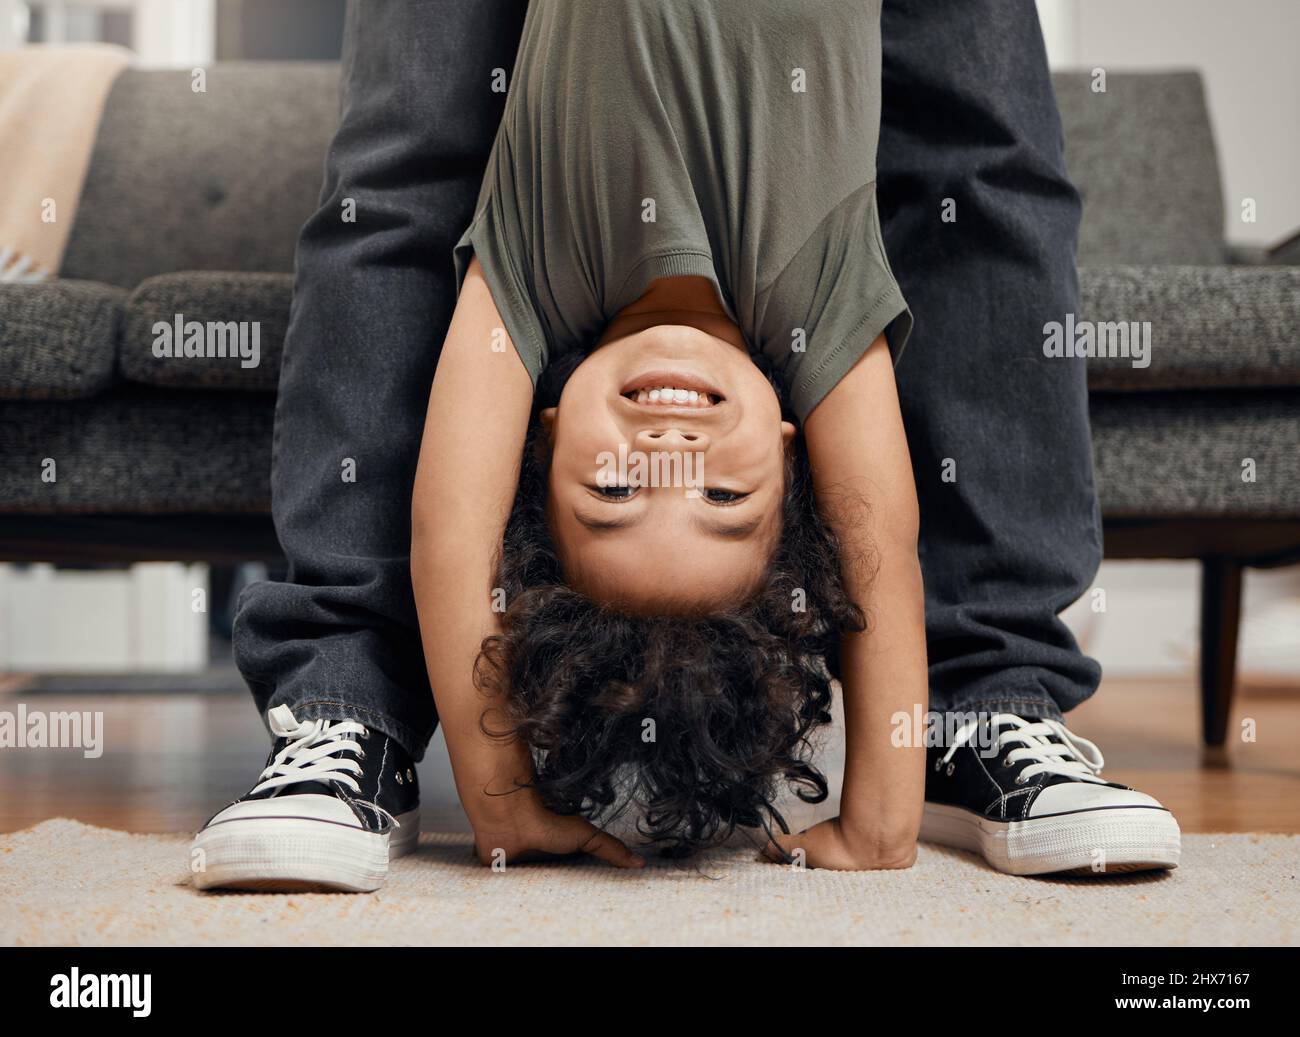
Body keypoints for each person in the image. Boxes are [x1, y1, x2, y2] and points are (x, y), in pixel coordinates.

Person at [192, 0, 1180, 893]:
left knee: (399, 163)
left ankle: (347, 706)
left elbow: (447, 524)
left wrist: (497, 797)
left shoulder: (529, 273)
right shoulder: (821, 298)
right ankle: (979, 706)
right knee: (990, 159)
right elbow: (882, 529)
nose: (670, 447)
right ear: (798, 461)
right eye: (722, 499)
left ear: (540, 440)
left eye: (616, 488)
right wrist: (881, 808)